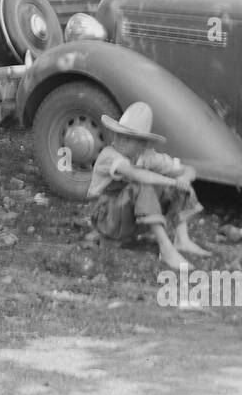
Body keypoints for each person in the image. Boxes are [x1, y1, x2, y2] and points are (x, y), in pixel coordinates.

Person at [87, 101, 210, 270]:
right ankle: (166, 248)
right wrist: (173, 181)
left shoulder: (147, 156)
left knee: (177, 186)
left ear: (142, 143)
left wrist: (184, 179)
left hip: (133, 220)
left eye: (129, 138)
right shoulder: (109, 155)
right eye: (119, 134)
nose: (120, 140)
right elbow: (137, 175)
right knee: (142, 185)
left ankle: (182, 239)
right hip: (109, 219)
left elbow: (188, 169)